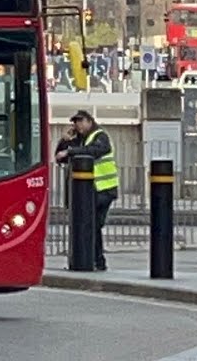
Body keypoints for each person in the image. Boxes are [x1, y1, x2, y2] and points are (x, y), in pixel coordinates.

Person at [54, 109, 118, 271]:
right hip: (90, 190)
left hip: (103, 189)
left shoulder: (100, 136)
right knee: (91, 225)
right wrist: (64, 141)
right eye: (75, 122)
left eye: (81, 121)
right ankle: (96, 261)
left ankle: (95, 260)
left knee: (91, 224)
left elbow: (95, 151)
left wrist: (70, 150)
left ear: (90, 121)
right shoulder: (81, 140)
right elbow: (61, 156)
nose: (78, 125)